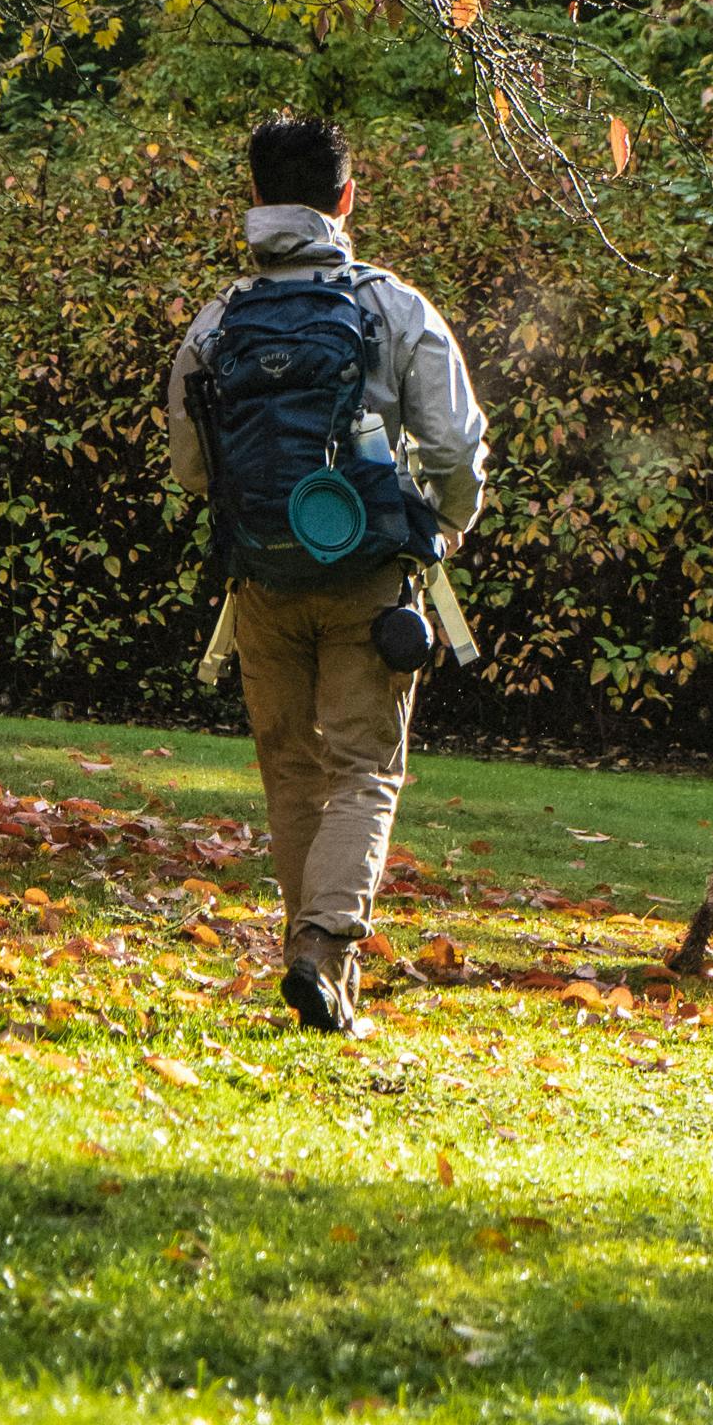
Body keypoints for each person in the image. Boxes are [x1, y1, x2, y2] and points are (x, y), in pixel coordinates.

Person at [166, 113, 488, 1035]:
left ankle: (313, 963)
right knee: (364, 770)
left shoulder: (218, 320)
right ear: (346, 198)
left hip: (260, 580)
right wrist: (448, 524)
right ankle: (322, 949)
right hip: (369, 580)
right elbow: (457, 445)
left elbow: (191, 468)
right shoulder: (392, 306)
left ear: (255, 199)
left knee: (290, 770)